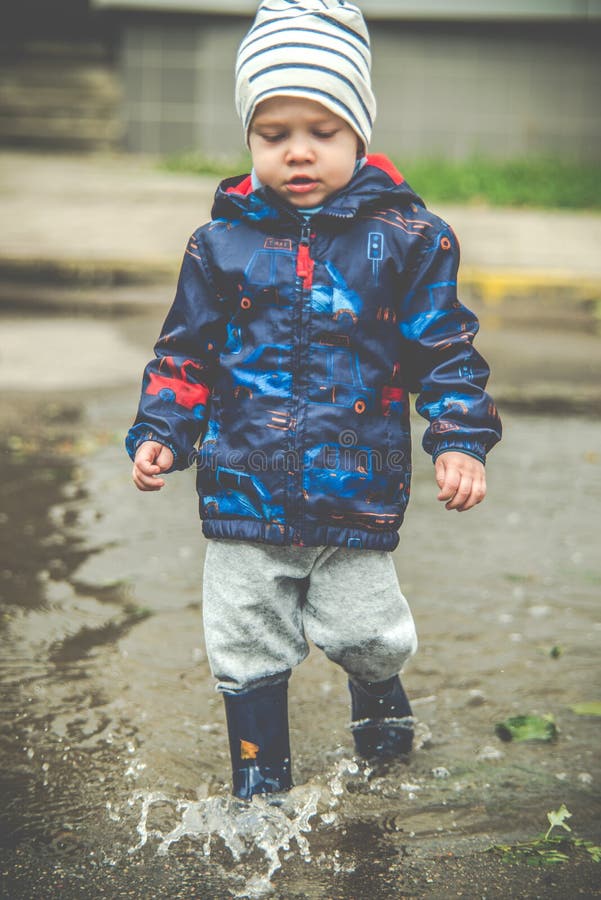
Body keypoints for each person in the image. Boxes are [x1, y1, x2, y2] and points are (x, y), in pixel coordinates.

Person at [126, 0, 502, 801]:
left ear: (359, 132)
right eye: (273, 135)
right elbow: (185, 351)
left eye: (321, 132)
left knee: (369, 635)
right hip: (242, 493)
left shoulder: (410, 239)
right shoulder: (218, 243)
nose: (297, 152)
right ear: (250, 139)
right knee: (244, 643)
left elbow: (443, 351)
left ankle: (380, 714)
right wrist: (163, 426)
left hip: (352, 496)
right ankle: (259, 793)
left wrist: (459, 438)